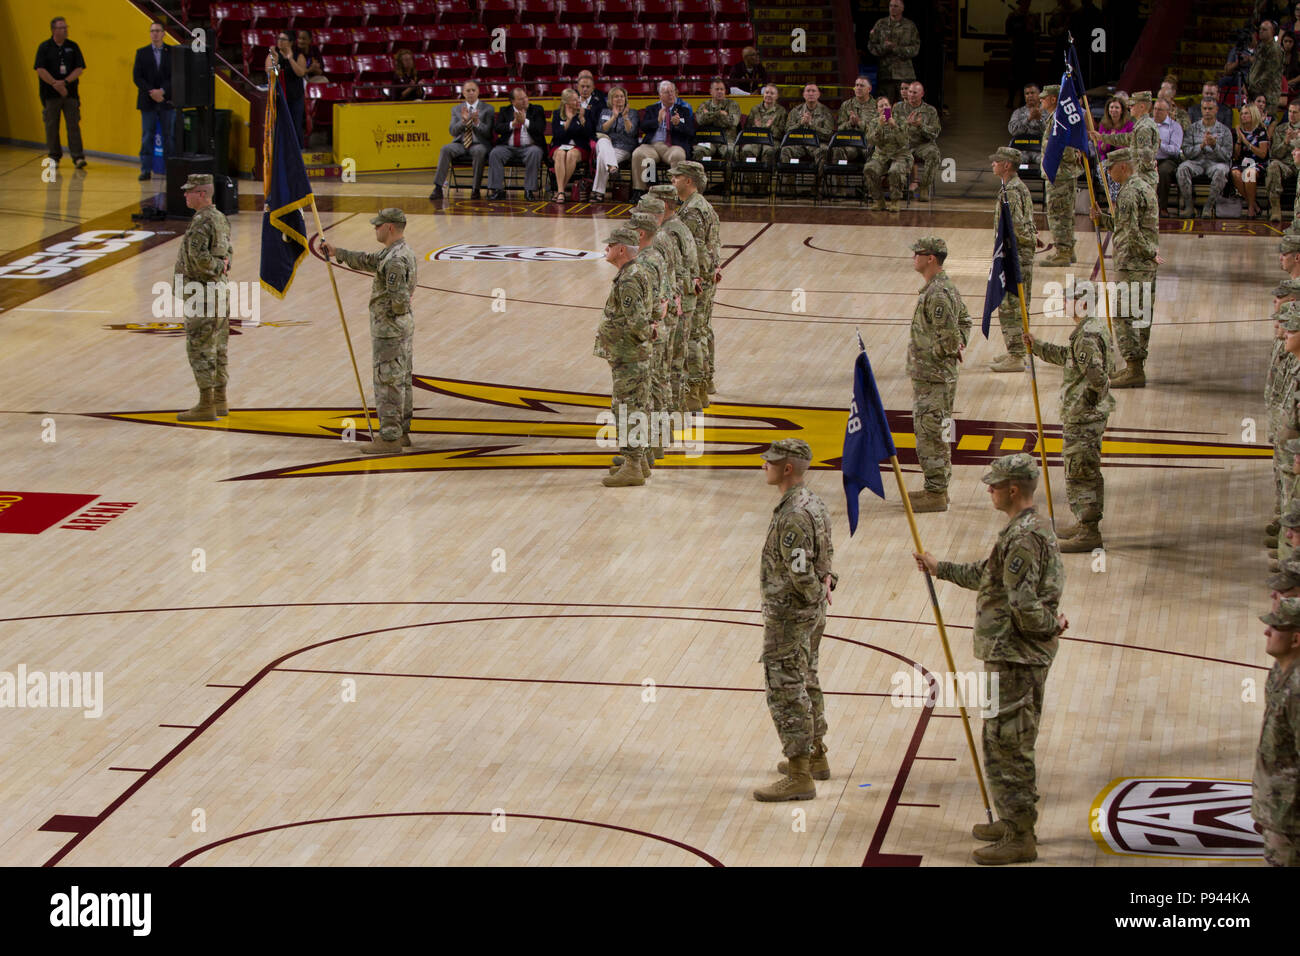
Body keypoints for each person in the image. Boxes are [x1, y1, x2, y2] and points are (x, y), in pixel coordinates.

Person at [913, 453, 1067, 865]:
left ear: (1013, 490)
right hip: (1010, 653)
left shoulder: (1023, 539)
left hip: (1017, 657)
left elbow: (1023, 604)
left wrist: (1051, 625)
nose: (989, 490)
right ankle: (1011, 819)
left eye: (995, 485)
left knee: (1011, 746)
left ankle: (1021, 835)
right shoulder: (1028, 530)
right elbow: (989, 575)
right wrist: (940, 568)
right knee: (1000, 741)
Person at [753, 438, 837, 802]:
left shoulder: (793, 515)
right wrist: (825, 587)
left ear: (788, 469)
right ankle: (816, 756)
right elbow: (825, 555)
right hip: (808, 612)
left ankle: (800, 774)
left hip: (790, 615)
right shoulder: (812, 502)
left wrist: (814, 594)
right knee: (806, 678)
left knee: (786, 688)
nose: (764, 465)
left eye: (770, 462)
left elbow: (801, 571)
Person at [320, 209, 419, 454]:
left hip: (390, 330)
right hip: (400, 327)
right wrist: (337, 252)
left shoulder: (394, 260)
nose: (375, 228)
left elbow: (399, 300)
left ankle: (390, 437)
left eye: (378, 225)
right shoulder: (399, 252)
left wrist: (387, 314)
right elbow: (368, 260)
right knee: (402, 379)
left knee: (388, 381)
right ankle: (401, 432)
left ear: (390, 228)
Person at [1022, 288, 1114, 551]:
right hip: (1087, 416)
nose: (1064, 302)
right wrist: (1038, 346)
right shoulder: (1093, 327)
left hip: (1084, 419)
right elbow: (1069, 358)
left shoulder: (1086, 337)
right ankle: (1084, 522)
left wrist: (1086, 405)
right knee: (1084, 468)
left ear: (1082, 303)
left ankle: (1089, 532)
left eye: (1069, 299)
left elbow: (1097, 377)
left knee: (1080, 472)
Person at [906, 237, 971, 513]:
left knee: (930, 434)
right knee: (938, 431)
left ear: (930, 258)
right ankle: (938, 489)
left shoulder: (938, 294)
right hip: (935, 376)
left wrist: (946, 349)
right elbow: (965, 321)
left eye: (917, 253)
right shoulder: (943, 287)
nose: (914, 258)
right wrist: (958, 345)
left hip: (934, 377)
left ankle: (935, 492)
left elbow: (950, 335)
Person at [1090, 147, 1158, 388]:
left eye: (1110, 168)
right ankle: (1135, 367)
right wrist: (1103, 219)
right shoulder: (1143, 186)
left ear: (1123, 166)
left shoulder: (1129, 193)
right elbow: (1127, 224)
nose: (1108, 173)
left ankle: (1134, 368)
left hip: (1132, 263)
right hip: (1142, 263)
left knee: (1123, 314)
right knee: (1141, 314)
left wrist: (1149, 252)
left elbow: (1131, 233)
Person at [594, 225, 655, 487]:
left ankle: (632, 466)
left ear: (621, 250)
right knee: (637, 406)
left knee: (627, 409)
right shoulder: (637, 271)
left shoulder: (629, 279)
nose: (606, 248)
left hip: (629, 355)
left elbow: (638, 321)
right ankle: (639, 462)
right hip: (632, 354)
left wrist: (646, 334)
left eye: (611, 245)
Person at [173, 174, 232, 422]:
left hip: (202, 293)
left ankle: (206, 404)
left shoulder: (201, 222)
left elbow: (199, 259)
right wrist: (223, 267)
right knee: (219, 346)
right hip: (219, 291)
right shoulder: (220, 218)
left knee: (199, 348)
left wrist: (217, 267)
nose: (185, 195)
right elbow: (228, 253)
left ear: (201, 194)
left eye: (189, 191)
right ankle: (220, 400)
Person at [1253, 597, 1300, 866]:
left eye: (1276, 627)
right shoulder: (1281, 673)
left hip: (1292, 820)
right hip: (1280, 812)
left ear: (1296, 639)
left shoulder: (1298, 692)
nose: (1266, 632)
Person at [671, 161, 722, 408]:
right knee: (703, 329)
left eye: (676, 177)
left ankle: (694, 390)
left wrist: (692, 279)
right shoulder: (703, 206)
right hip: (706, 276)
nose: (672, 180)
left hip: (696, 280)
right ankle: (706, 381)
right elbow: (714, 244)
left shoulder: (692, 211)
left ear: (689, 181)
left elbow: (695, 250)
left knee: (692, 334)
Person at [648, 184, 700, 410]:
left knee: (671, 363)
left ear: (663, 204)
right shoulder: (677, 226)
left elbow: (673, 270)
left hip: (678, 299)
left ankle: (674, 411)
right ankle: (678, 409)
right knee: (676, 359)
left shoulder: (668, 232)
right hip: (683, 296)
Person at [989, 145, 1037, 372]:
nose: (993, 164)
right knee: (1017, 303)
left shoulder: (1011, 191)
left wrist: (1011, 250)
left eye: (997, 161)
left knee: (1011, 306)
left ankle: (1017, 355)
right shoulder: (1017, 187)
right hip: (1018, 254)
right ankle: (1016, 350)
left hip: (1014, 257)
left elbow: (1016, 227)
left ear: (1007, 165)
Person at [1039, 85, 1084, 267]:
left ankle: (1063, 252)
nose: (1041, 100)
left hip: (1060, 174)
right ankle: (1068, 250)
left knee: (1058, 214)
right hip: (1063, 173)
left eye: (1044, 97)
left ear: (1053, 99)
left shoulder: (1059, 118)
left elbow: (1064, 148)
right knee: (1066, 214)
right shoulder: (1059, 116)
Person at [34, 16, 87, 169]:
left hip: (70, 94)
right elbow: (40, 69)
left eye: (66, 27)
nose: (65, 30)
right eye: (62, 28)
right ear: (54, 30)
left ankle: (78, 157)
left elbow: (79, 69)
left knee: (73, 125)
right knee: (51, 126)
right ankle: (54, 157)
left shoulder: (73, 46)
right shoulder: (44, 47)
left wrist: (65, 82)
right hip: (50, 95)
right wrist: (55, 84)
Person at [431, 79, 494, 200]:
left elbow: (488, 133)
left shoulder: (488, 109)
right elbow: (452, 131)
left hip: (479, 143)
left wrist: (477, 122)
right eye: (468, 91)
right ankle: (438, 188)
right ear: (463, 93)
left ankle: (475, 189)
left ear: (478, 92)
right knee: (445, 149)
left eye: (473, 90)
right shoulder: (456, 109)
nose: (471, 93)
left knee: (479, 151)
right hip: (460, 143)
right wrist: (464, 121)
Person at [631, 81, 694, 200]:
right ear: (660, 95)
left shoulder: (683, 110)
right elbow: (643, 127)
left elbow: (691, 132)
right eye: (666, 92)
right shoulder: (651, 109)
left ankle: (677, 193)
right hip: (652, 146)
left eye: (672, 92)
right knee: (638, 153)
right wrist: (657, 120)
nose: (670, 94)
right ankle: (639, 191)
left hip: (672, 146)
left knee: (678, 155)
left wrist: (678, 124)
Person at [487, 87, 547, 201]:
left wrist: (525, 122)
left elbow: (540, 128)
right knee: (495, 153)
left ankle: (529, 190)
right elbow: (497, 128)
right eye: (521, 99)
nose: (525, 100)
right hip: (508, 147)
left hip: (530, 147)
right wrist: (512, 124)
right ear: (513, 101)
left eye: (525, 97)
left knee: (535, 152)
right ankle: (497, 190)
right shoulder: (505, 110)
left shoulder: (537, 110)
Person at [1177, 99, 1232, 218]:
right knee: (1182, 168)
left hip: (1216, 162)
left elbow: (1227, 156)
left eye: (1210, 109)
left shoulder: (1225, 130)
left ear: (1216, 110)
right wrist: (1201, 146)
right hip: (1196, 161)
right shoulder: (1192, 128)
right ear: (1201, 110)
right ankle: (1189, 206)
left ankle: (1208, 206)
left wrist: (1214, 146)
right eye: (1205, 108)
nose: (1207, 111)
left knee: (1221, 171)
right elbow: (1186, 152)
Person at [133, 22, 172, 182]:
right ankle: (145, 169)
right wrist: (152, 92)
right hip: (147, 101)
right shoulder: (142, 53)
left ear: (163, 33)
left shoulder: (172, 52)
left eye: (158, 31)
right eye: (152, 31)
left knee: (169, 136)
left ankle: (170, 169)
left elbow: (174, 76)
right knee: (147, 135)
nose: (155, 33)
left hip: (166, 100)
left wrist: (162, 91)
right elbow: (137, 77)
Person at [779, 83, 834, 183]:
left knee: (824, 150)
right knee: (785, 150)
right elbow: (787, 131)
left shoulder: (826, 112)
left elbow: (829, 134)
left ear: (818, 94)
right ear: (804, 94)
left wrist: (811, 125)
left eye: (813, 91)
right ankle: (789, 187)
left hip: (817, 144)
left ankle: (817, 186)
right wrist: (800, 123)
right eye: (808, 91)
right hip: (798, 144)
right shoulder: (796, 111)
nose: (811, 93)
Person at [868, 0, 921, 103]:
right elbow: (871, 46)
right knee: (886, 105)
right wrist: (884, 47)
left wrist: (896, 48)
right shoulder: (880, 24)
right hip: (885, 74)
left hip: (905, 74)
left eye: (896, 6)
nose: (892, 8)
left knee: (906, 104)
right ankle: (888, 115)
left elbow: (915, 49)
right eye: (891, 6)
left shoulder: (910, 26)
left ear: (902, 8)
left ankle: (904, 115)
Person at [592, 85, 638, 203]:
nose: (619, 99)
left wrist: (625, 118)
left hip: (623, 147)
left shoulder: (632, 113)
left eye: (622, 96)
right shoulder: (605, 112)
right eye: (616, 96)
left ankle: (599, 193)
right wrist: (614, 117)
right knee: (602, 141)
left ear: (625, 98)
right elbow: (601, 129)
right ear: (611, 99)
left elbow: (631, 132)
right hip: (607, 144)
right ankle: (612, 167)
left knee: (602, 157)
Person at [897, 81, 941, 199]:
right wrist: (906, 124)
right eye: (910, 92)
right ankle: (900, 188)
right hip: (903, 145)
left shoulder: (930, 110)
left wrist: (921, 126)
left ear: (922, 94)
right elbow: (890, 126)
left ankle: (924, 187)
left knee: (934, 154)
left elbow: (935, 133)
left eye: (915, 93)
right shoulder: (897, 107)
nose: (911, 95)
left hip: (922, 145)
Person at [865, 97, 910, 211]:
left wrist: (894, 126)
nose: (884, 108)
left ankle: (895, 201)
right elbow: (871, 141)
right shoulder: (874, 122)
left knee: (895, 170)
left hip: (900, 155)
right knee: (869, 169)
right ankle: (879, 201)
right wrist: (880, 126)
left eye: (886, 105)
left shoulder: (901, 120)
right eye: (881, 106)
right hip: (881, 156)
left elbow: (904, 142)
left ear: (890, 107)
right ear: (877, 109)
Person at [550, 88, 594, 203]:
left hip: (579, 147)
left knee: (571, 154)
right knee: (560, 154)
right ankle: (561, 191)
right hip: (560, 146)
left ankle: (560, 191)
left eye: (578, 99)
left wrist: (582, 120)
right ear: (566, 102)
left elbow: (589, 135)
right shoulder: (557, 114)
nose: (578, 101)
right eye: (574, 100)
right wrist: (568, 121)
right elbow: (557, 135)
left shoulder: (585, 113)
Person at [266, 31, 307, 147]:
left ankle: (298, 150)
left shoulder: (298, 55)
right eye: (279, 38)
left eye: (283, 39)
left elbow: (301, 73)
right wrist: (276, 58)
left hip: (295, 96)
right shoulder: (273, 54)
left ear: (291, 42)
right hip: (279, 96)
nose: (280, 41)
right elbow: (270, 72)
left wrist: (290, 59)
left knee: (295, 124)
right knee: (280, 124)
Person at [1233, 104, 1272, 218]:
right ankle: (1254, 205)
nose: (1243, 116)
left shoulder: (1261, 131)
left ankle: (1250, 208)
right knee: (1235, 173)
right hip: (1242, 162)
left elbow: (1263, 154)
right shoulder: (1239, 130)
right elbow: (1236, 156)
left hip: (1258, 162)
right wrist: (1239, 140)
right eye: (1242, 114)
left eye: (1246, 113)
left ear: (1253, 114)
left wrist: (1246, 142)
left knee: (1249, 173)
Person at [694, 77, 742, 168]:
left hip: (727, 140)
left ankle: (729, 177)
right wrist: (719, 114)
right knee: (698, 152)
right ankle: (702, 177)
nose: (720, 92)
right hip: (708, 139)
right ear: (710, 91)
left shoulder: (733, 105)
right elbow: (700, 121)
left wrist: (709, 116)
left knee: (730, 152)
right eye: (717, 89)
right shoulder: (704, 105)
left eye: (722, 89)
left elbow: (733, 122)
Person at [1096, 96, 1133, 206]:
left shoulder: (1129, 125)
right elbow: (1101, 150)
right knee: (1102, 170)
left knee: (1116, 170)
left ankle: (1114, 203)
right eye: (1111, 107)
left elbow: (1127, 144)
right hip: (1107, 158)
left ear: (1122, 110)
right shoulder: (1103, 125)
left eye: (1117, 107)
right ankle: (1111, 200)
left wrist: (1114, 139)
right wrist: (1106, 142)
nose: (1113, 110)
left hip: (1122, 158)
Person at [832, 75, 877, 165]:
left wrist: (859, 123)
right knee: (838, 150)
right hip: (851, 143)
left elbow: (879, 130)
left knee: (875, 154)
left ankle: (870, 172)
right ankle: (840, 172)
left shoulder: (878, 105)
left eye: (862, 86)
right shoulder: (846, 105)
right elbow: (839, 128)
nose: (858, 88)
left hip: (869, 144)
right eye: (857, 85)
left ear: (869, 89)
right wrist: (850, 124)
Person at [738, 84, 786, 165]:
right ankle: (749, 173)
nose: (768, 95)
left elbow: (782, 134)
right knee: (747, 150)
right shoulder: (754, 109)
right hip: (755, 140)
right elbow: (746, 130)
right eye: (767, 93)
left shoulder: (781, 111)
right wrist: (756, 128)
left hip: (771, 141)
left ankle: (767, 174)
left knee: (769, 152)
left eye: (772, 93)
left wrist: (770, 127)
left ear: (777, 96)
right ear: (763, 95)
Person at [1152, 98, 1184, 215]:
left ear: (1167, 111)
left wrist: (1161, 145)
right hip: (1149, 158)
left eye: (1160, 110)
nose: (1156, 112)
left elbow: (1175, 150)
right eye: (1155, 109)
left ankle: (1162, 207)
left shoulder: (1175, 127)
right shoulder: (1148, 124)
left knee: (1163, 171)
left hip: (1168, 159)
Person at [1268, 101, 1300, 221]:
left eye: (1295, 112)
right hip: (1286, 165)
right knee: (1273, 165)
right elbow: (1275, 154)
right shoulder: (1280, 129)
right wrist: (1285, 142)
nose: (1291, 115)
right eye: (1290, 111)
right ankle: (1275, 208)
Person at [1006, 0, 1038, 110]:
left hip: (1029, 50)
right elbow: (1009, 32)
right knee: (1014, 76)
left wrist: (1032, 29)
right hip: (1017, 49)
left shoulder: (1032, 16)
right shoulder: (1013, 16)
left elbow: (1038, 31)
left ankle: (1023, 100)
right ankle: (1011, 99)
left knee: (1027, 77)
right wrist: (1022, 28)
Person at [1251, 20, 1285, 117]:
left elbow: (1270, 73)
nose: (1261, 31)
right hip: (1256, 93)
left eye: (1265, 29)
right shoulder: (1260, 47)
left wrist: (1254, 85)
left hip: (1268, 95)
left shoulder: (1275, 49)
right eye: (1260, 29)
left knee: (1267, 120)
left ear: (1272, 32)